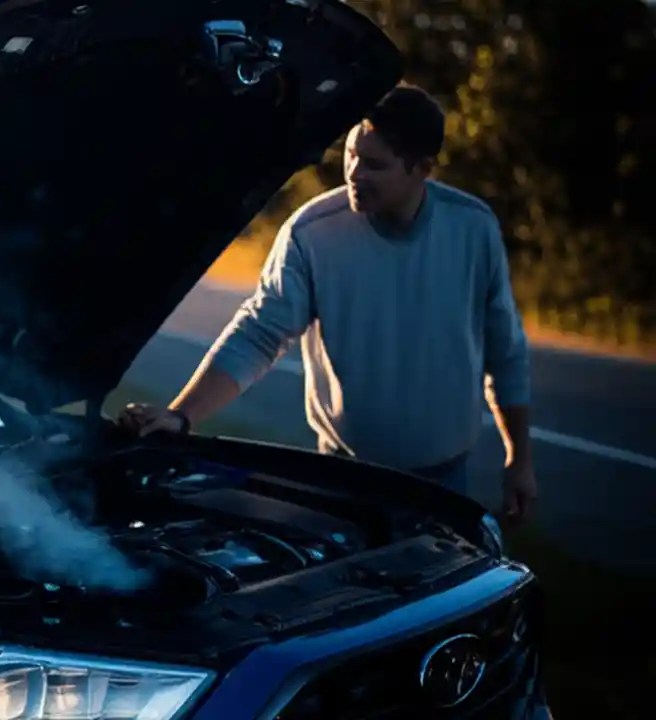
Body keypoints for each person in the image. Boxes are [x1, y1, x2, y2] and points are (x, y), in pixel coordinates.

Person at [118, 84, 538, 528]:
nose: (354, 172)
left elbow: (505, 352)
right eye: (351, 154)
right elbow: (260, 333)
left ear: (423, 169)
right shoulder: (313, 232)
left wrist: (520, 459)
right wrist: (181, 416)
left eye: (374, 164)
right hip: (342, 476)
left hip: (445, 482)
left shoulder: (473, 228)